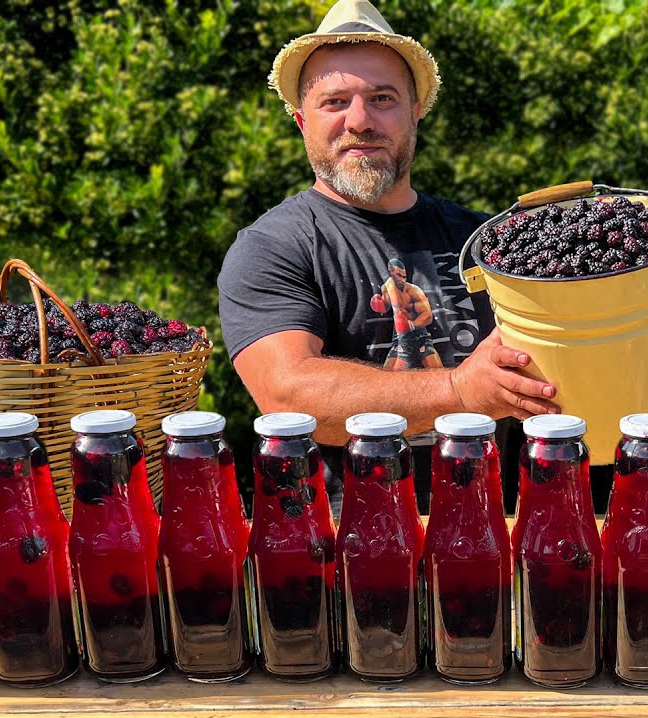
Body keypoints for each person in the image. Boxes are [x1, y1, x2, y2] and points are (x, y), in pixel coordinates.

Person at [217, 0, 558, 511]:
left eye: (382, 98)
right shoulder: (272, 248)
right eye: (334, 102)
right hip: (343, 552)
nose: (360, 120)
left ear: (416, 110)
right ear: (300, 121)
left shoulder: (484, 238)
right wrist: (461, 391)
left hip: (492, 536)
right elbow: (287, 394)